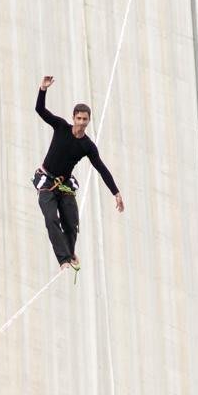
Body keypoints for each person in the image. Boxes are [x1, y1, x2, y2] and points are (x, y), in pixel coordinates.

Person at [33, 75, 124, 272]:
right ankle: (64, 259)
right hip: (47, 182)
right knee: (51, 219)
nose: (81, 123)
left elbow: (101, 167)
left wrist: (115, 192)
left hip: (64, 184)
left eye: (85, 119)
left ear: (89, 120)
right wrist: (43, 89)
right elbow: (40, 110)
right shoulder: (61, 127)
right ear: (73, 117)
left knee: (72, 222)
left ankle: (70, 251)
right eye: (79, 118)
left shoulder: (87, 146)